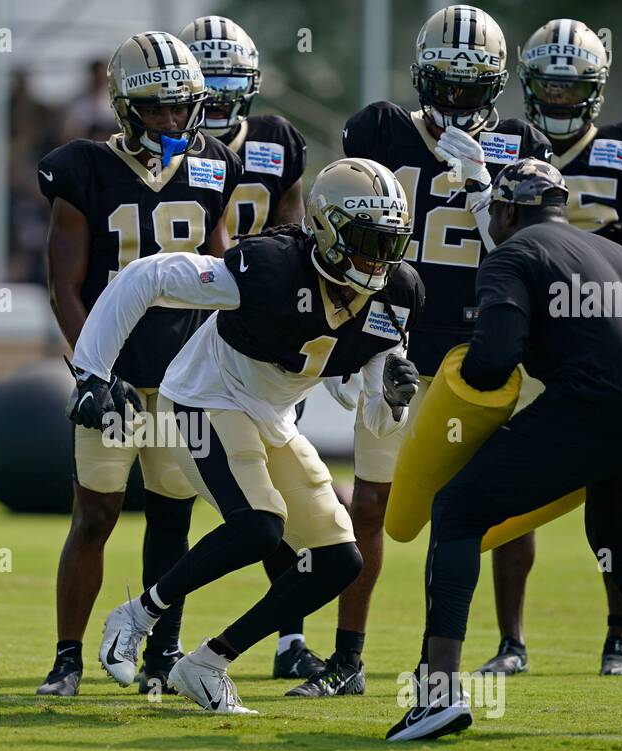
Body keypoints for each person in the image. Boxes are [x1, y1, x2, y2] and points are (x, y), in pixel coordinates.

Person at [386, 158, 622, 741]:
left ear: (504, 211)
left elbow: (495, 357)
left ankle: (438, 693)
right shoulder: (620, 255)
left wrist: (457, 386)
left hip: (607, 403)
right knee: (620, 541)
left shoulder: (513, 255)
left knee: (458, 510)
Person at [71, 157, 422, 715]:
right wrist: (91, 369)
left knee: (339, 560)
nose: (377, 259)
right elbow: (148, 275)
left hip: (272, 418)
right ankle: (138, 615)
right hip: (204, 398)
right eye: (364, 241)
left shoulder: (397, 293)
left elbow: (377, 414)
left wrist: (397, 400)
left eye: (388, 243)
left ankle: (207, 663)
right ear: (327, 230)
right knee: (259, 527)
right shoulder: (270, 269)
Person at [333, 3, 553, 697]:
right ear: (422, 78)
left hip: (483, 352)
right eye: (446, 84)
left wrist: (489, 192)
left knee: (496, 503)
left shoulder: (523, 146)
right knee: (371, 504)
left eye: (473, 87)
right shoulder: (377, 131)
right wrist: (353, 346)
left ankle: (508, 643)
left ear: (496, 86)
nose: (458, 101)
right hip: (397, 348)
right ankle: (348, 659)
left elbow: (537, 256)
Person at [34, 31, 241, 697]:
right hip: (115, 375)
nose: (173, 121)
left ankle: (162, 656)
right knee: (94, 515)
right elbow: (63, 283)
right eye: (157, 109)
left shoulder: (211, 163)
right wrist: (87, 370)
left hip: (182, 377)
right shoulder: (84, 168)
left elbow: (222, 273)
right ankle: (67, 658)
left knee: (173, 519)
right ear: (125, 108)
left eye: (181, 107)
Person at [513, 17, 622, 677]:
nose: (555, 99)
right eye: (546, 85)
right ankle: (511, 643)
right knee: (509, 490)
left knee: (614, 502)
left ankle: (620, 639)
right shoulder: (507, 146)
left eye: (568, 86)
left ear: (593, 90)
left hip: (602, 347)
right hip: (528, 341)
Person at [179, 14, 324, 684]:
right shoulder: (174, 141)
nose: (222, 90)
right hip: (199, 318)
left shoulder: (277, 140)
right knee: (192, 499)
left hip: (264, 331)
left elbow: (294, 229)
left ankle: (287, 636)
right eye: (211, 77)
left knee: (276, 499)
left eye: (233, 77)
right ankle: (159, 641)